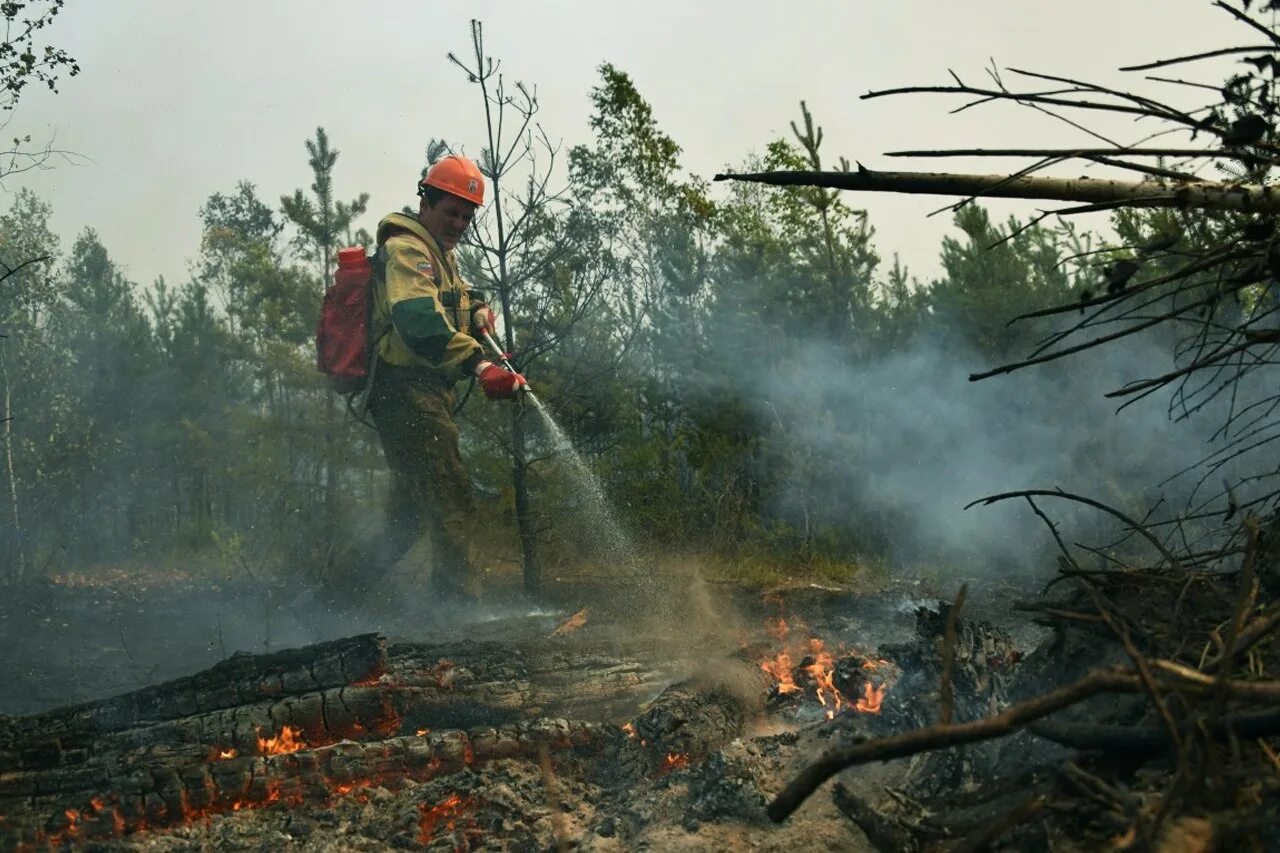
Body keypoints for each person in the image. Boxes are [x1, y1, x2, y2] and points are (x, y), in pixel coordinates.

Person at [367, 154, 526, 600]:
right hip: (405, 391)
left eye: (466, 216)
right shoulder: (407, 251)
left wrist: (475, 310)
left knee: (408, 518)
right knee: (452, 497)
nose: (458, 223)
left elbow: (451, 298)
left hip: (421, 392)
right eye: (450, 212)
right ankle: (458, 614)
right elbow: (418, 321)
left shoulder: (439, 254)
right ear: (426, 203)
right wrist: (480, 365)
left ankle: (326, 599)